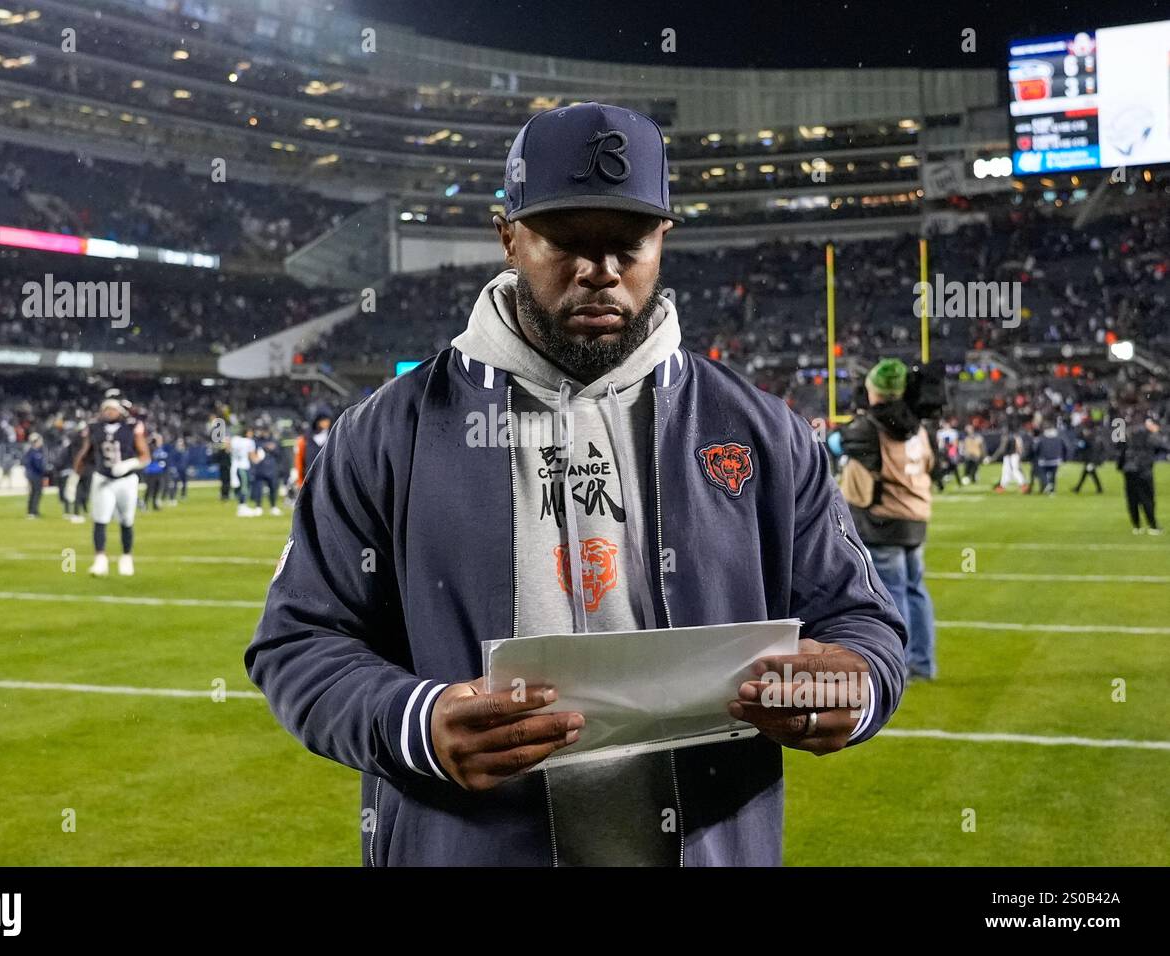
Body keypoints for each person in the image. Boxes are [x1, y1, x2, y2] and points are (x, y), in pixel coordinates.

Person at [246, 102, 906, 867]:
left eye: (627, 243)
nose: (601, 272)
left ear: (663, 239)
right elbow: (299, 638)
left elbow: (863, 622)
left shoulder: (761, 432)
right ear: (508, 238)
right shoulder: (385, 433)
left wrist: (852, 686)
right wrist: (416, 723)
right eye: (567, 242)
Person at [840, 359, 938, 681]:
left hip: (885, 521)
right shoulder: (920, 426)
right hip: (916, 517)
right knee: (916, 590)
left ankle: (901, 668)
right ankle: (924, 664)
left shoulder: (869, 426)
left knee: (893, 595)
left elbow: (839, 443)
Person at [75, 397, 150, 576]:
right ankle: (100, 560)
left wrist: (128, 464)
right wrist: (74, 475)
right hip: (103, 478)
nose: (109, 412)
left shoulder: (132, 428)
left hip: (126, 479)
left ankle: (126, 557)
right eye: (106, 409)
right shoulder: (94, 428)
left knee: (127, 520)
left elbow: (145, 457)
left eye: (113, 409)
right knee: (100, 520)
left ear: (120, 412)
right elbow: (85, 453)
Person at [1117, 415, 1167, 534]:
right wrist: (1156, 432)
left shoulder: (1128, 432)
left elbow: (1121, 449)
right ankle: (1153, 526)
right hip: (1143, 469)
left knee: (1132, 498)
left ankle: (1137, 526)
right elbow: (1163, 446)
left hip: (1129, 469)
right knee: (1147, 498)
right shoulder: (1148, 434)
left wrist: (1121, 466)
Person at [250, 429, 283, 516]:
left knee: (273, 489)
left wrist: (273, 449)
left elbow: (279, 454)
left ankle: (273, 507)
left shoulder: (274, 441)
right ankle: (258, 507)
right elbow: (253, 452)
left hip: (271, 469)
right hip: (260, 469)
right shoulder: (256, 441)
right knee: (258, 489)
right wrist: (265, 446)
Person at [987, 424, 1027, 493]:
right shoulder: (1016, 436)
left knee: (1014, 470)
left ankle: (1023, 484)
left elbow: (1001, 449)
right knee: (1006, 471)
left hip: (1012, 456)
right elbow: (1020, 447)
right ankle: (1002, 486)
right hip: (1011, 456)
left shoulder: (1006, 437)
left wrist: (993, 458)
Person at [230, 426, 256, 516]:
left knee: (242, 487)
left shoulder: (235, 440)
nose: (252, 434)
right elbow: (253, 457)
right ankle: (242, 507)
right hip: (244, 467)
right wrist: (261, 457)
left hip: (236, 467)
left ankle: (242, 506)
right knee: (245, 488)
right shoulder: (249, 442)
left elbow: (228, 447)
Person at [1072, 421, 1104, 494]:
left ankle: (1099, 489)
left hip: (1090, 460)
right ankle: (1078, 488)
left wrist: (1092, 462)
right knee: (1089, 474)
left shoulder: (1090, 439)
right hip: (1089, 460)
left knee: (1091, 475)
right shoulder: (1091, 438)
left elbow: (1091, 450)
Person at [1033, 422, 1065, 495]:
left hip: (1044, 459)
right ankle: (1052, 491)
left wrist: (1038, 456)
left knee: (1042, 473)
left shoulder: (1042, 437)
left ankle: (1046, 484)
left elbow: (1036, 448)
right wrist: (1063, 457)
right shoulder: (1058, 438)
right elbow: (1064, 447)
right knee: (1053, 476)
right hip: (1055, 460)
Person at [22, 433, 47, 518]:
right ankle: (33, 511)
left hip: (31, 475)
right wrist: (44, 470)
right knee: (36, 493)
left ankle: (31, 511)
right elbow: (38, 465)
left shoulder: (30, 452)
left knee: (33, 493)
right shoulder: (34, 453)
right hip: (35, 475)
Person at [142, 433, 168, 512]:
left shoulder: (162, 448)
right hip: (150, 471)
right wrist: (151, 439)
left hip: (159, 471)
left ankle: (154, 504)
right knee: (150, 489)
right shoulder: (150, 447)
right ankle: (145, 504)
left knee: (158, 488)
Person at [165, 437, 189, 504]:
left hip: (183, 469)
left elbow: (187, 460)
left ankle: (183, 495)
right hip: (177, 469)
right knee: (174, 483)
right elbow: (172, 460)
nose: (180, 443)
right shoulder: (174, 451)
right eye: (179, 442)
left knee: (184, 483)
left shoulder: (185, 451)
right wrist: (173, 468)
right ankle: (173, 496)